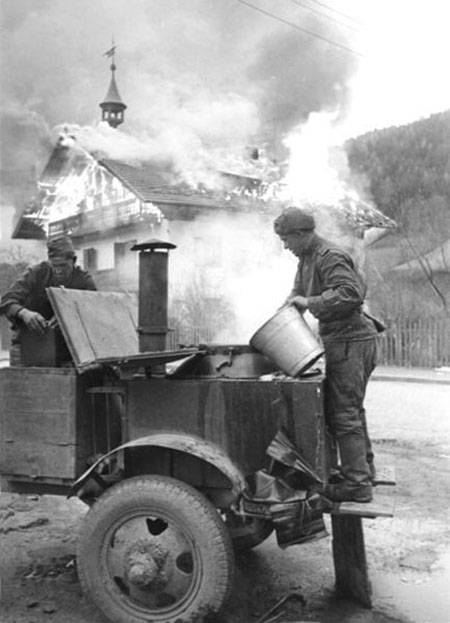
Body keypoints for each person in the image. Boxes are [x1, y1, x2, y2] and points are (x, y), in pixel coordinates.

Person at [274, 206, 384, 503]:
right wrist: (285, 309)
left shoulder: (328, 256)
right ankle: (364, 471)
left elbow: (351, 293)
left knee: (343, 414)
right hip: (343, 339)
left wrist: (308, 302)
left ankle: (357, 485)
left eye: (287, 239)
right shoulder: (306, 258)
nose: (285, 246)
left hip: (352, 340)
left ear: (302, 234)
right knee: (351, 409)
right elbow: (297, 292)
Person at [0, 234, 96, 365]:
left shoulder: (84, 281)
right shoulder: (36, 273)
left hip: (67, 352)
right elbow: (6, 301)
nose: (59, 271)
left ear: (73, 260)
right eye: (55, 266)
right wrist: (24, 313)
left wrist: (68, 316)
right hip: (28, 346)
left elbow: (94, 313)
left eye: (63, 266)